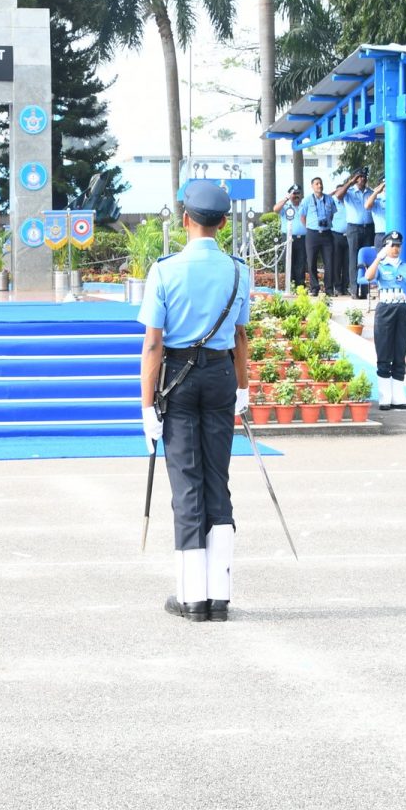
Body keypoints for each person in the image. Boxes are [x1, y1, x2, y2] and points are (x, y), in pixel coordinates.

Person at [138, 180, 250, 623]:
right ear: (223, 223)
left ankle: (192, 596)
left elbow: (153, 346)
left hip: (178, 381)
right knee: (216, 479)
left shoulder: (164, 270)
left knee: (186, 483)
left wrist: (147, 408)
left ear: (185, 219)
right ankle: (219, 595)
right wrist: (243, 389)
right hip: (222, 375)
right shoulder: (239, 270)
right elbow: (240, 336)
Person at [364, 230, 406, 411]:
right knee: (384, 351)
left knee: (400, 351)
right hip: (386, 307)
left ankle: (399, 396)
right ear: (386, 247)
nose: (396, 249)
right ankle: (385, 397)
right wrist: (378, 258)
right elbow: (368, 277)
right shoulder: (381, 265)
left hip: (402, 308)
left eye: (398, 245)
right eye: (392, 245)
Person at [296, 176, 338, 293]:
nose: (319, 186)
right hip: (312, 234)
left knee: (329, 262)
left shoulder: (329, 199)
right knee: (311, 261)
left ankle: (329, 289)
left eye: (321, 183)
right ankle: (314, 288)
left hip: (327, 234)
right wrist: (310, 227)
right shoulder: (307, 200)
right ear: (312, 186)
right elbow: (302, 217)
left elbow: (332, 215)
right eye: (317, 184)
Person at [333, 169, 372, 298]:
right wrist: (350, 182)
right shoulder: (349, 192)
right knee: (353, 258)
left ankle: (365, 290)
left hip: (368, 228)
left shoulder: (369, 192)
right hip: (354, 228)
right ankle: (354, 289)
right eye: (359, 177)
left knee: (366, 259)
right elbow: (338, 195)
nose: (362, 179)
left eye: (364, 177)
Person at [272, 184, 305, 290]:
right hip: (288, 238)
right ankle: (289, 286)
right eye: (294, 193)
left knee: (301, 263)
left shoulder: (304, 205)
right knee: (289, 262)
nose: (296, 196)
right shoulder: (285, 206)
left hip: (303, 238)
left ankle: (300, 287)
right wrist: (286, 198)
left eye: (298, 193)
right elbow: (275, 209)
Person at [365, 179, 388, 249]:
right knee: (381, 259)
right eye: (384, 185)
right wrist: (376, 192)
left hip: (394, 233)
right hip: (381, 234)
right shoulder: (377, 198)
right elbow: (367, 205)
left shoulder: (397, 198)